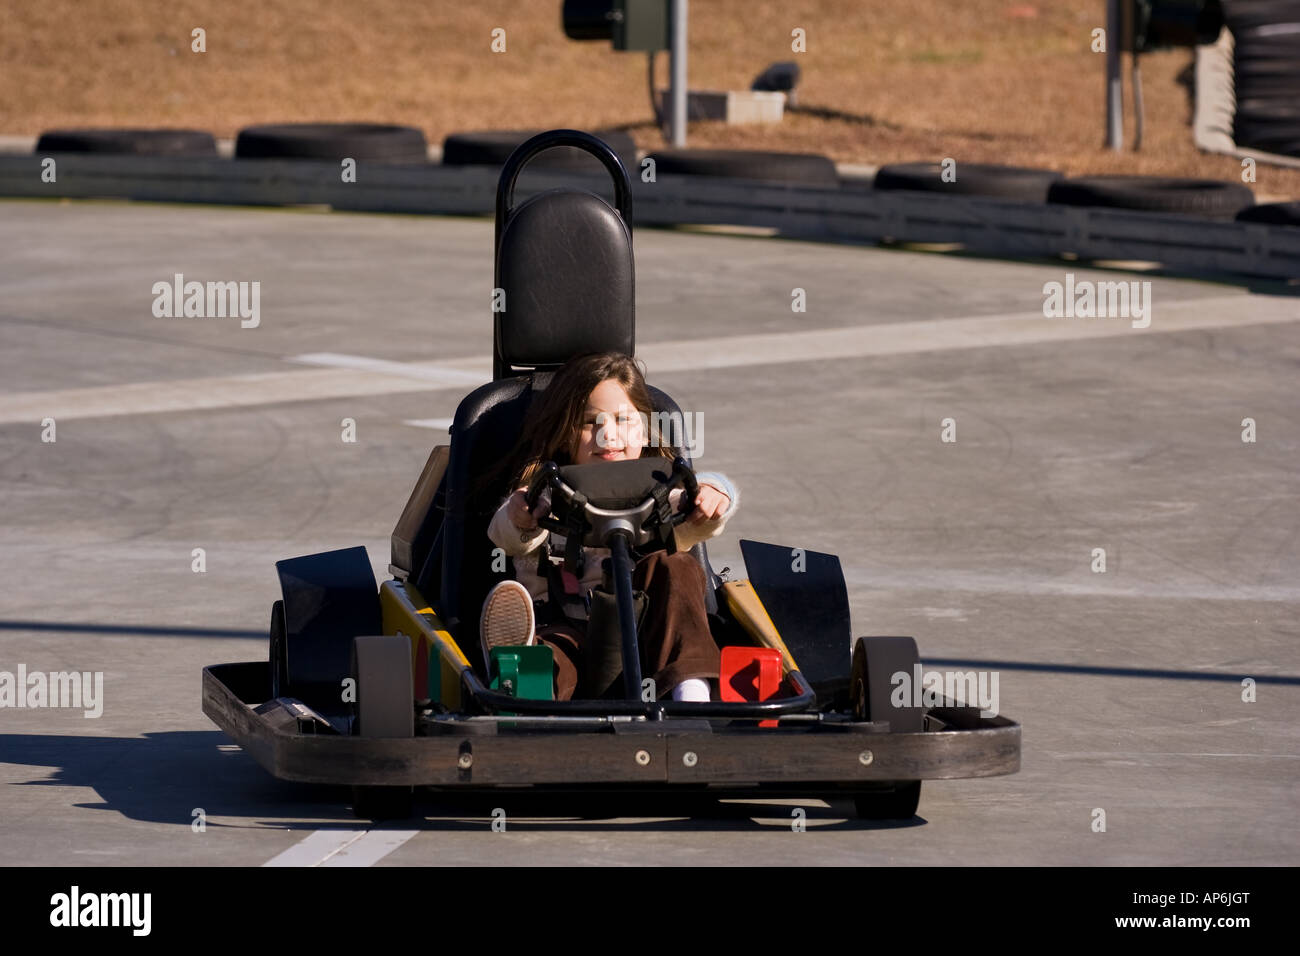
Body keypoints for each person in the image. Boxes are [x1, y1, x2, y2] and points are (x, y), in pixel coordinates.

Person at [479, 351, 738, 702]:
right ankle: (521, 675)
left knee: (674, 565)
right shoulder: (544, 491)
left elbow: (695, 508)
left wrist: (712, 494)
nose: (608, 435)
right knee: (555, 657)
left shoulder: (662, 487)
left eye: (622, 420)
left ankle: (691, 694)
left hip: (650, 642)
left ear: (645, 428)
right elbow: (506, 534)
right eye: (590, 423)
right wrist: (521, 516)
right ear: (564, 432)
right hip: (568, 628)